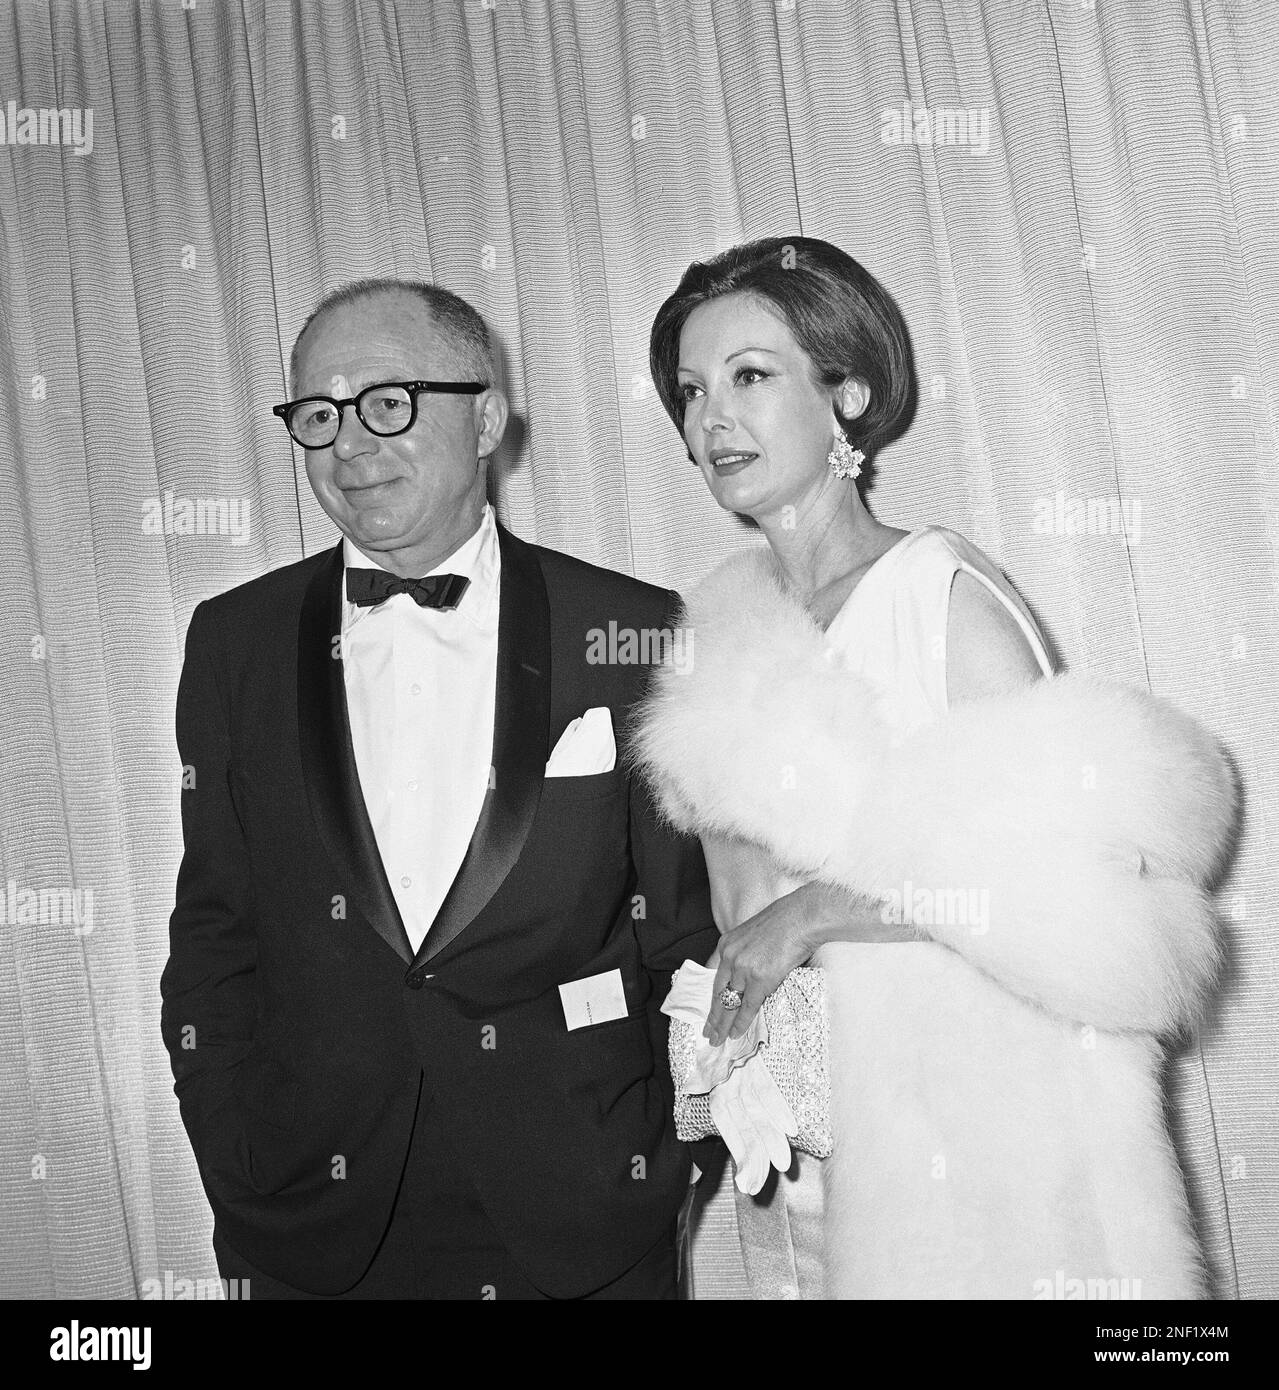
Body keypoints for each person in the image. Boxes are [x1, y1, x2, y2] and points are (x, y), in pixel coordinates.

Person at [635, 236, 1238, 1299]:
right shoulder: (724, 621)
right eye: (690, 390)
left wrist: (814, 912)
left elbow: (1066, 890)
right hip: (791, 1137)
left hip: (970, 1152)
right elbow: (734, 909)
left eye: (750, 376)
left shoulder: (941, 594)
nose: (709, 418)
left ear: (848, 397)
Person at [160, 278, 718, 1300]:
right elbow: (214, 933)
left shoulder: (635, 632)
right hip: (311, 1219)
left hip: (581, 1214)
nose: (349, 446)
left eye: (387, 402)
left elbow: (685, 940)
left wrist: (664, 1164)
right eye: (316, 416)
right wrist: (237, 1159)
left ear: (488, 418)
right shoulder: (233, 641)